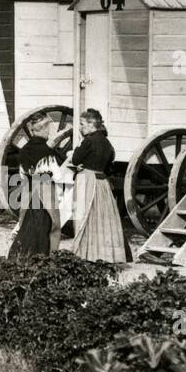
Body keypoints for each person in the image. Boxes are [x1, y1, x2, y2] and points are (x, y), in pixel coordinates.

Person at [67, 108, 132, 262]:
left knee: (84, 215)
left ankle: (84, 253)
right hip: (102, 182)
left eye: (82, 124)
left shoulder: (88, 141)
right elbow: (110, 167)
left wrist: (77, 154)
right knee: (102, 218)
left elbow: (75, 159)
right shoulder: (108, 143)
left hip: (87, 181)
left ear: (91, 125)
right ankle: (103, 255)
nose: (80, 128)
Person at [9, 112, 64, 258]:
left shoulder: (24, 151)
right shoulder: (46, 152)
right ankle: (45, 256)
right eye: (48, 129)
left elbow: (22, 173)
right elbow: (57, 176)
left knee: (27, 220)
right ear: (44, 129)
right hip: (45, 189)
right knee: (50, 223)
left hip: (29, 188)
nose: (49, 132)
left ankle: (21, 255)